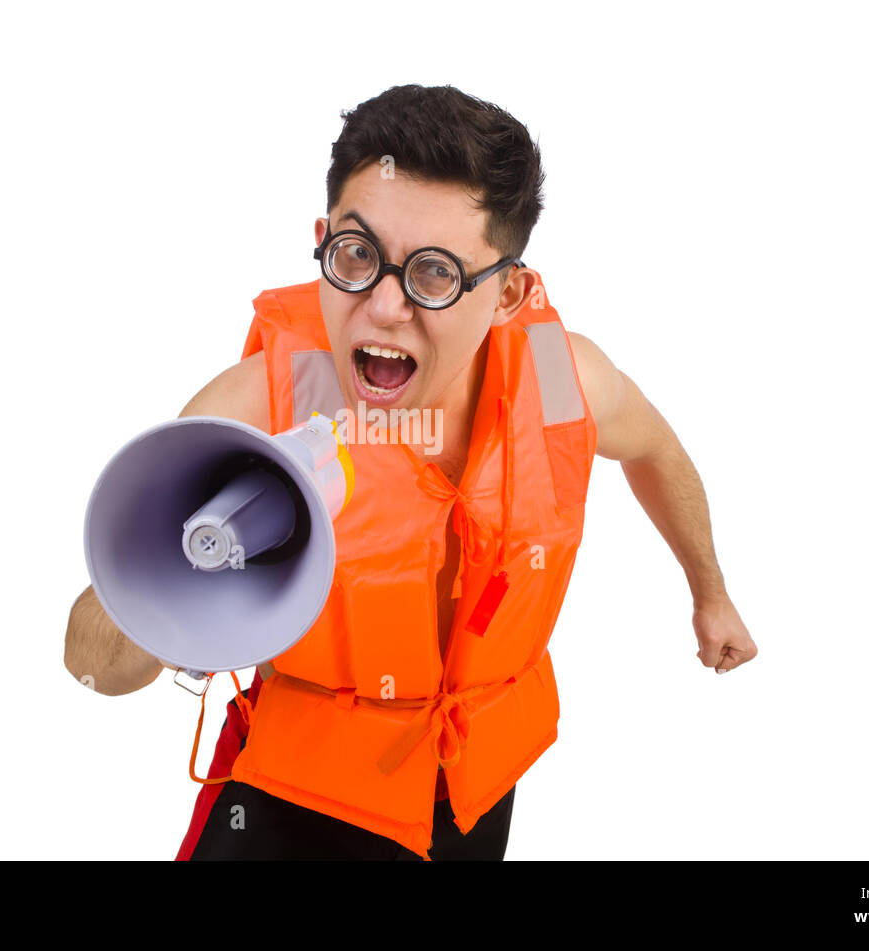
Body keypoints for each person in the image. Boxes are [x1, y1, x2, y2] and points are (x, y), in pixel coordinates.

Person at [63, 84, 757, 860]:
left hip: (471, 795)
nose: (384, 307)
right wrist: (170, 585)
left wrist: (712, 594)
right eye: (357, 256)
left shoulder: (564, 377)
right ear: (323, 240)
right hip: (294, 804)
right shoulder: (253, 408)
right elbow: (93, 666)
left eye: (434, 274)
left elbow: (657, 452)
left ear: (509, 294)